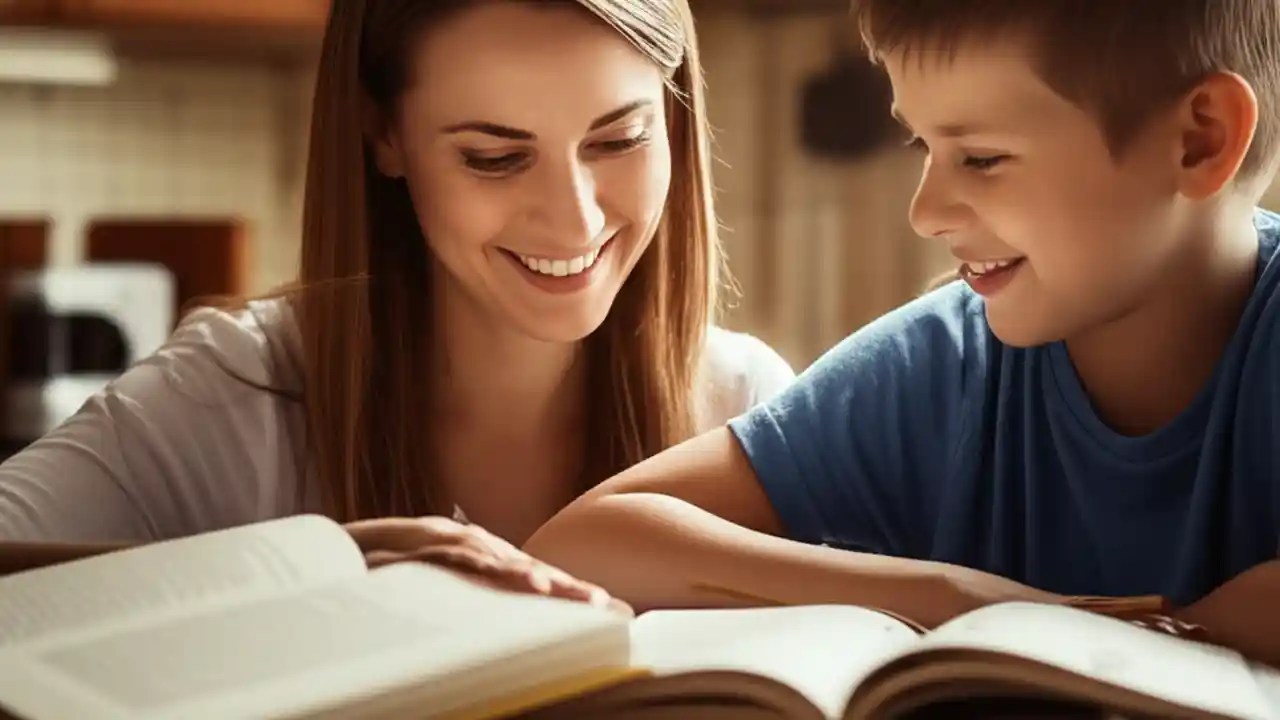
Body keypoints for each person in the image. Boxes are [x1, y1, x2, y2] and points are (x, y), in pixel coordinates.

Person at [525, 0, 1280, 664]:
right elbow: (583, 545)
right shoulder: (939, 366)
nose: (926, 213)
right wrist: (960, 600)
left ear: (1201, 140)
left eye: (982, 158)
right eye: (924, 148)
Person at [0, 0, 795, 603]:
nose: (575, 220)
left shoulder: (742, 401)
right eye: (494, 157)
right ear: (385, 134)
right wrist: (307, 570)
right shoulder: (234, 395)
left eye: (619, 140)